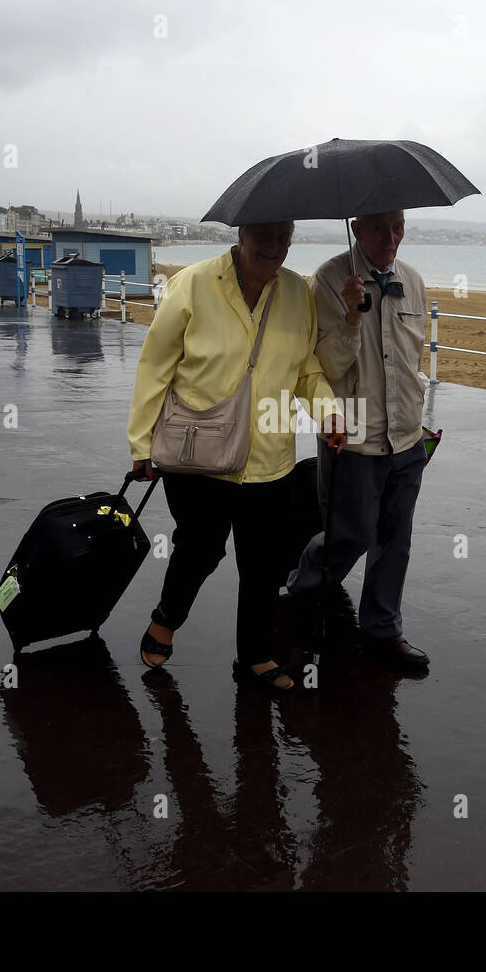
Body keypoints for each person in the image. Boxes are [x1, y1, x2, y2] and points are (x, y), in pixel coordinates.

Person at [127, 221, 345, 692]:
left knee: (264, 562)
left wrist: (328, 413)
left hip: (270, 454)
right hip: (198, 451)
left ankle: (257, 657)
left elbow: (307, 369)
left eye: (283, 237)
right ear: (242, 233)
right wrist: (141, 444)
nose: (274, 247)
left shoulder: (298, 293)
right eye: (264, 235)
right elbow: (155, 366)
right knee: (199, 549)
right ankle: (166, 616)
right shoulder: (193, 284)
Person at [284, 210, 431, 667]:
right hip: (353, 438)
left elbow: (412, 353)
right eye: (380, 227)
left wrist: (418, 398)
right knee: (347, 536)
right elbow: (324, 366)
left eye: (398, 226)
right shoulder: (329, 279)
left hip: (406, 436)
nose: (391, 237)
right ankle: (299, 601)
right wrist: (350, 318)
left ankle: (383, 630)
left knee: (394, 537)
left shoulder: (413, 280)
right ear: (356, 229)